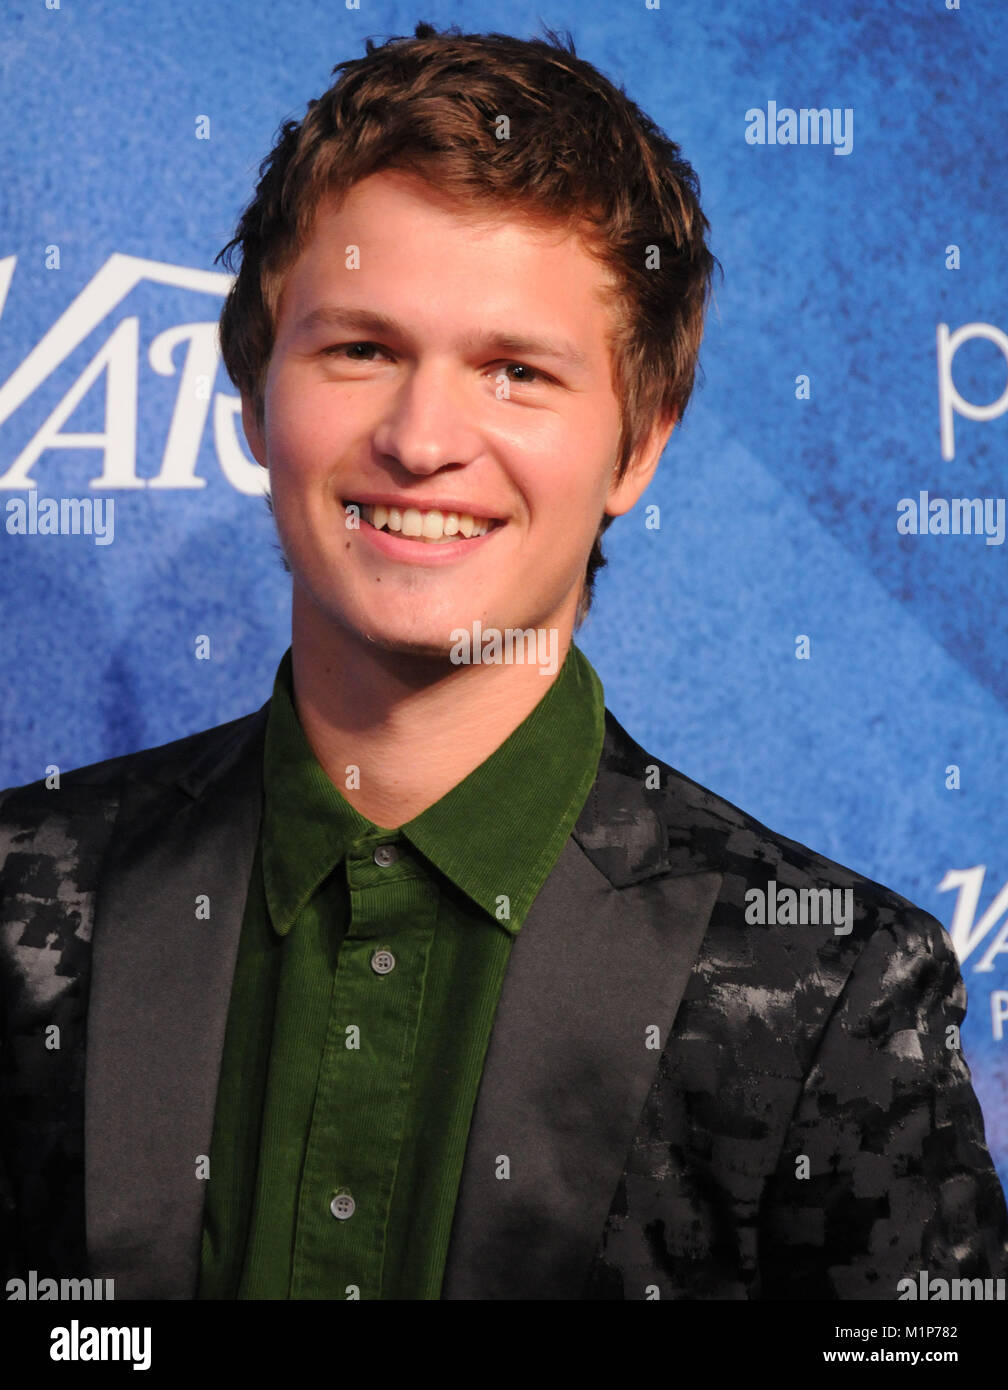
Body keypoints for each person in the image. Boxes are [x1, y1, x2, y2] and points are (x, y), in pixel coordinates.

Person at [1, 21, 1005, 1302]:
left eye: (516, 372)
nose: (423, 439)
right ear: (255, 395)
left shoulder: (824, 988)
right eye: (361, 349)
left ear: (637, 447)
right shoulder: (27, 905)